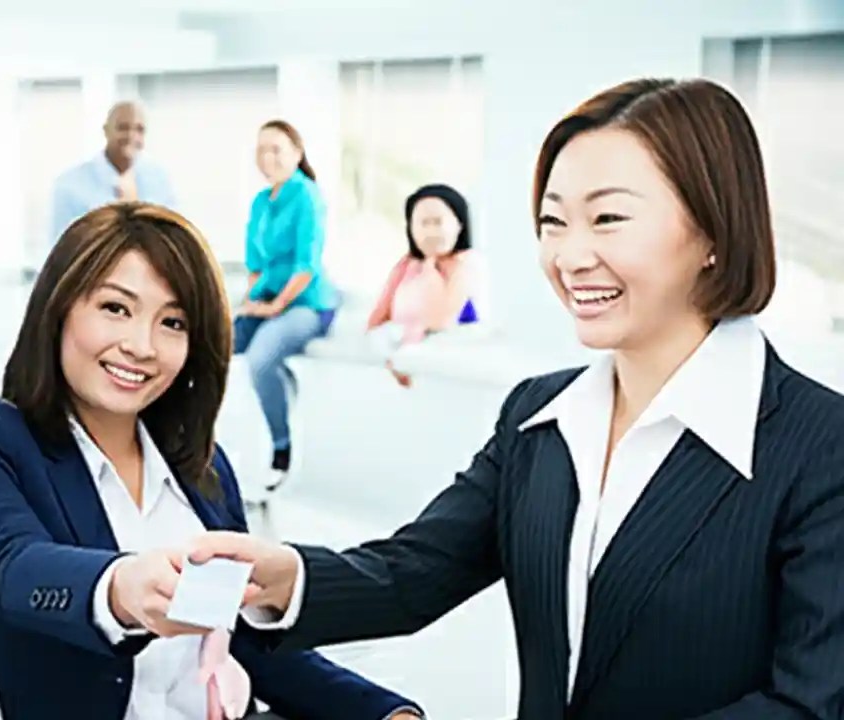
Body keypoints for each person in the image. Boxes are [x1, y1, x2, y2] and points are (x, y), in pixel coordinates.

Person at [190, 78, 844, 720]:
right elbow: (416, 571)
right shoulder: (538, 416)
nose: (569, 256)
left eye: (608, 219)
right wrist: (285, 577)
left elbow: (810, 703)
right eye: (552, 222)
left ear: (713, 231)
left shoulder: (820, 446)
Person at [0, 203, 422, 720]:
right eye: (116, 309)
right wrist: (119, 589)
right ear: (59, 307)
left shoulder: (203, 469)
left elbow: (250, 640)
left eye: (172, 322)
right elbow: (13, 569)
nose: (141, 346)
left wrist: (383, 712)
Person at [235, 120, 338, 482]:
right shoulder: (262, 202)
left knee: (261, 359)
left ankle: (281, 448)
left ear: (297, 152)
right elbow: (254, 264)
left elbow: (305, 266)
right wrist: (251, 301)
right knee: (212, 344)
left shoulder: (308, 195)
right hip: (267, 300)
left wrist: (274, 307)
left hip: (307, 304)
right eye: (261, 150)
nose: (268, 157)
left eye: (276, 149)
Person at [366, 184, 481, 387]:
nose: (430, 231)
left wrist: (431, 267)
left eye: (438, 222)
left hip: (441, 356)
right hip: (399, 351)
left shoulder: (465, 265)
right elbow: (379, 315)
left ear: (459, 224)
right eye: (423, 223)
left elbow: (440, 320)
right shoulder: (406, 264)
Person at [51, 101, 176, 242]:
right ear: (106, 130)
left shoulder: (160, 181)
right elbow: (59, 247)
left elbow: (174, 236)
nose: (131, 136)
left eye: (139, 129)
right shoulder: (70, 184)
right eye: (123, 128)